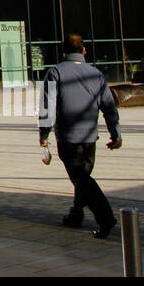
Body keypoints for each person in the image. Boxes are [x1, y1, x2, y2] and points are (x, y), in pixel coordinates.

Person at [38, 34, 122, 239]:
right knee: (82, 177)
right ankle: (76, 214)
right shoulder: (96, 74)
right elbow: (109, 106)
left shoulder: (55, 72)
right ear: (84, 51)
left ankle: (106, 218)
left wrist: (44, 133)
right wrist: (115, 133)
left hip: (68, 137)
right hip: (91, 137)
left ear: (63, 51)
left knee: (82, 179)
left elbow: (48, 106)